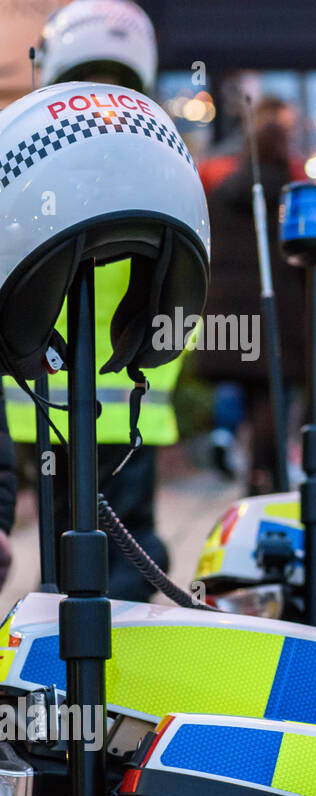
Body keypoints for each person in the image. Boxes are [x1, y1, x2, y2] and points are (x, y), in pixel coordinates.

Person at [2, 0, 172, 600]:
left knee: (59, 556)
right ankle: (110, 683)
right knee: (123, 561)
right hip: (131, 402)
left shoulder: (34, 144)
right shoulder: (160, 147)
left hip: (37, 393)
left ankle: (66, 679)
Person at [196, 95, 307, 494]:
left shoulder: (221, 191)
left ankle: (236, 450)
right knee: (274, 394)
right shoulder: (291, 197)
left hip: (227, 314)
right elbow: (304, 262)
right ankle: (264, 472)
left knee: (244, 388)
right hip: (276, 313)